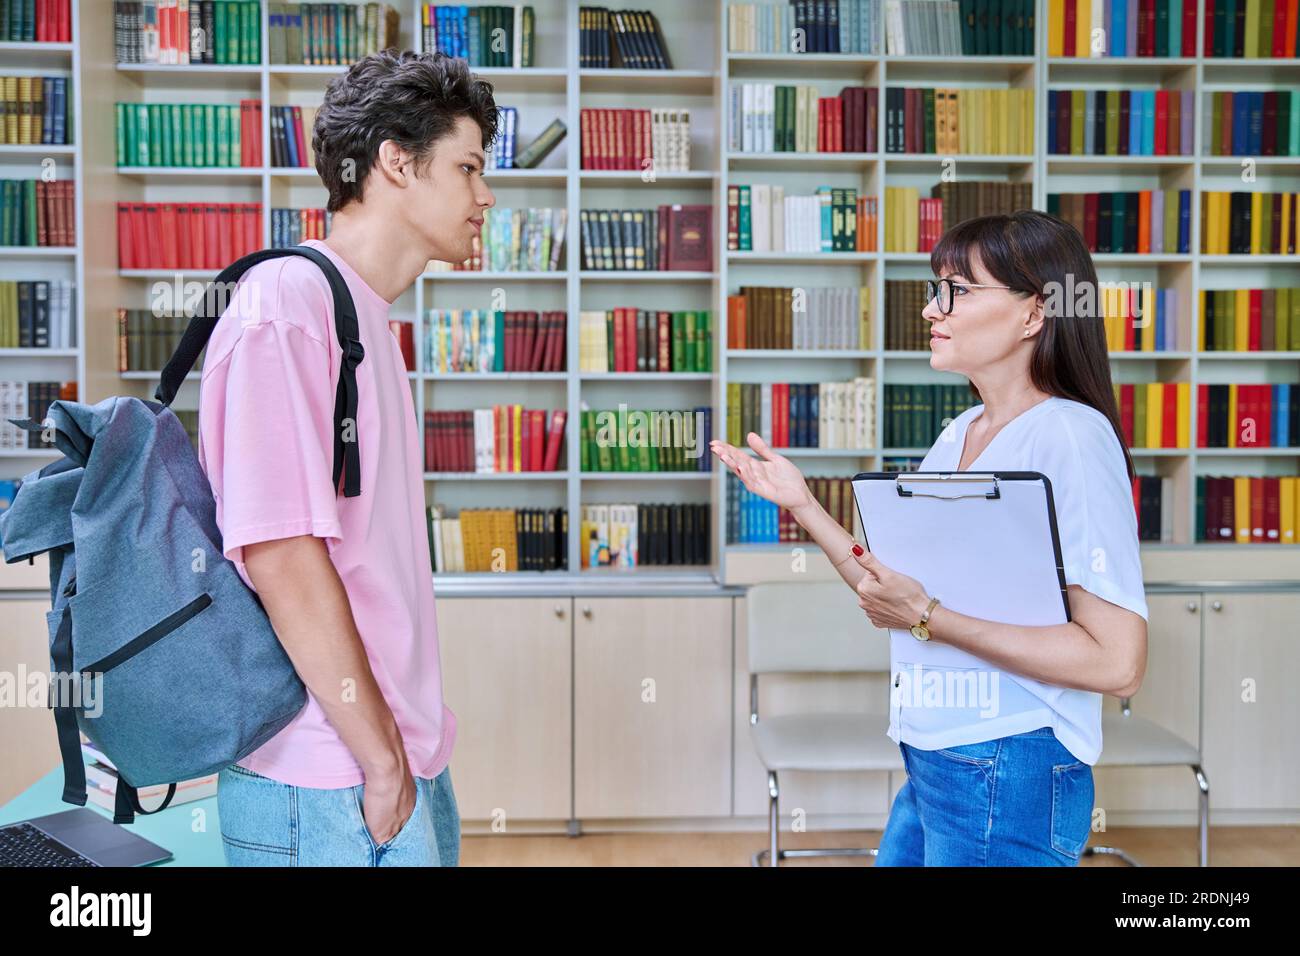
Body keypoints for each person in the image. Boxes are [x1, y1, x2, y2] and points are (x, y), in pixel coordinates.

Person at [711, 210, 1149, 866]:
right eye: (934, 288)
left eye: (958, 291)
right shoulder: (960, 433)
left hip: (1010, 761)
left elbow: (1117, 664)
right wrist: (802, 504)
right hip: (937, 755)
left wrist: (929, 618)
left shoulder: (1069, 437)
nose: (930, 310)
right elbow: (888, 589)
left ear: (1035, 313)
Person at [197, 50, 497, 866]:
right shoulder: (286, 309)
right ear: (397, 161)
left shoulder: (363, 317)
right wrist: (380, 758)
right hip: (326, 777)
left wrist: (401, 756)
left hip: (386, 758)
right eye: (468, 167)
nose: (485, 196)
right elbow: (281, 554)